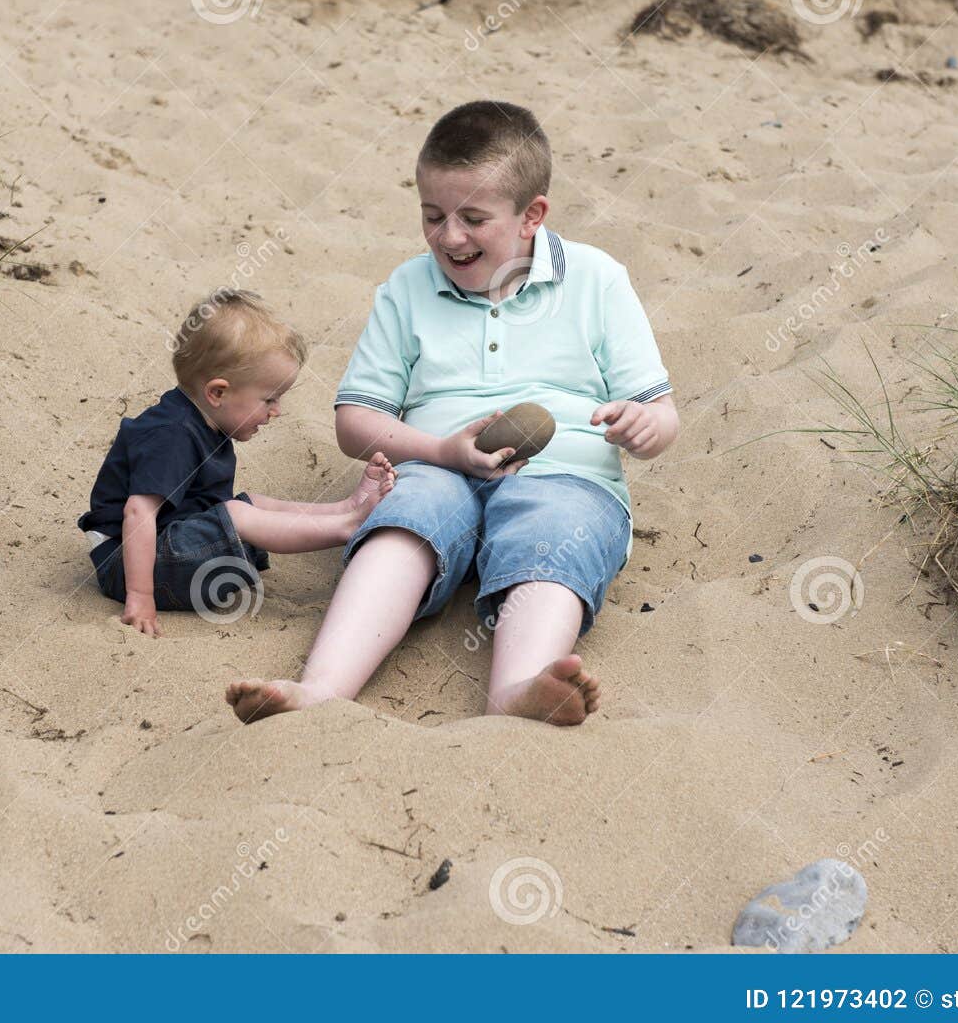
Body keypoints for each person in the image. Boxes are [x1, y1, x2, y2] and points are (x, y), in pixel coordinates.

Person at [227, 101, 678, 724]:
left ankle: (520, 688)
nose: (449, 237)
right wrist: (441, 452)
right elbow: (354, 422)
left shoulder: (597, 280)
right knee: (405, 518)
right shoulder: (408, 288)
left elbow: (661, 414)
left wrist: (644, 427)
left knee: (554, 531)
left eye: (473, 218)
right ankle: (323, 686)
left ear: (532, 216)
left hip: (565, 477)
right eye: (432, 216)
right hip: (436, 468)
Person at [80, 288, 394, 637]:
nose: (277, 411)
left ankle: (346, 509)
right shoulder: (172, 434)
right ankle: (347, 528)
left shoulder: (203, 420)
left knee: (250, 504)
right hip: (125, 566)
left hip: (165, 544)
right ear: (218, 393)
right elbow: (138, 513)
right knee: (237, 514)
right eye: (269, 399)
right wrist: (139, 596)